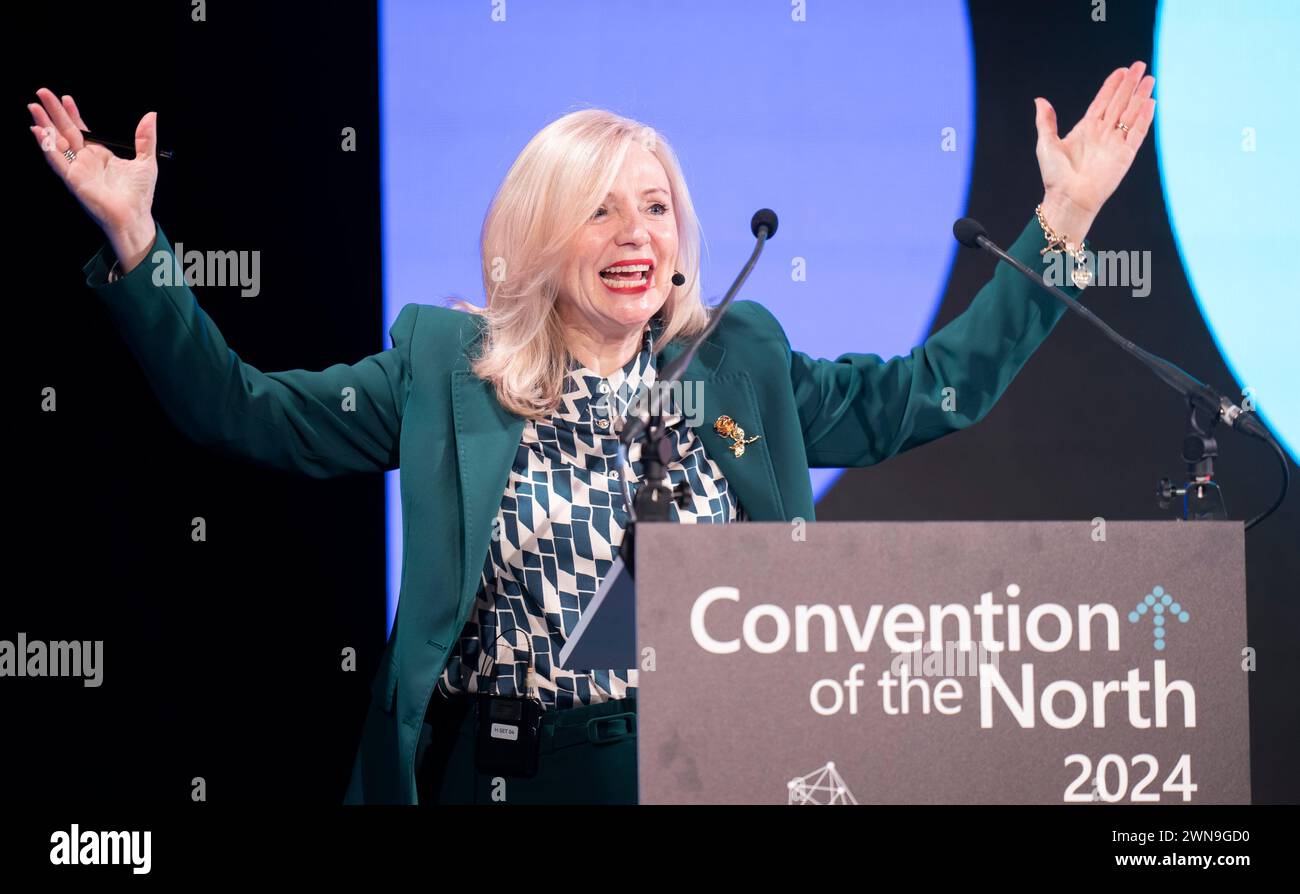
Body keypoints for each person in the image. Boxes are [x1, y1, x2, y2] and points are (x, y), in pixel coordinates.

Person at [26, 61, 1156, 805]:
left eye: (655, 206)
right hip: (495, 771)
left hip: (702, 769)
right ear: (539, 233)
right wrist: (140, 244)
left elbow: (931, 392)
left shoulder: (736, 363)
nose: (634, 233)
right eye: (600, 208)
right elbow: (242, 414)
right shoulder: (444, 364)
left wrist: (1062, 221)